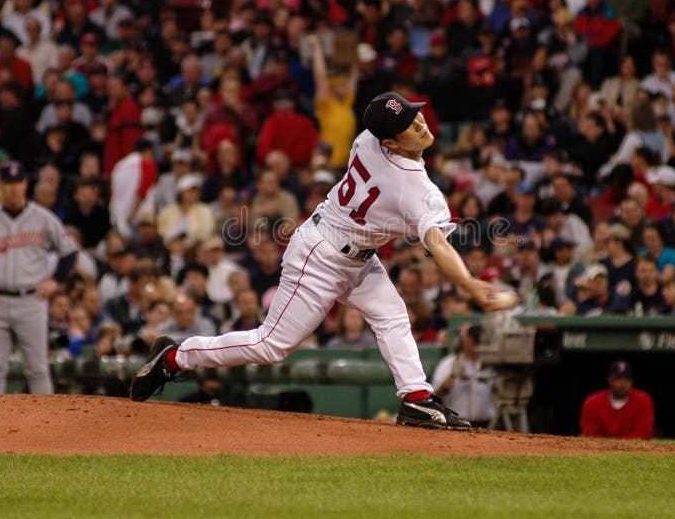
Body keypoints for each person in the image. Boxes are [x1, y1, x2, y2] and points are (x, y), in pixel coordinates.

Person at [131, 92, 515, 430]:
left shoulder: (367, 139)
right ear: (391, 142)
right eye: (407, 125)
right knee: (271, 345)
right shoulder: (415, 189)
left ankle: (416, 398)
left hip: (353, 251)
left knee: (392, 315)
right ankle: (176, 357)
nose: (419, 123)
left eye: (415, 114)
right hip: (322, 254)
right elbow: (439, 245)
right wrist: (469, 284)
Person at [0, 161, 78, 394]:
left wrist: (56, 281)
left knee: (38, 369)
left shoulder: (42, 218)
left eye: (17, 182)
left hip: (31, 300)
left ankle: (46, 426)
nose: (13, 188)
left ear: (25, 184)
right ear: (0, 185)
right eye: (8, 183)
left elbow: (69, 252)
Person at [431, 323, 497, 428]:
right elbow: (433, 399)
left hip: (488, 424)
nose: (474, 340)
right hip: (456, 423)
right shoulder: (448, 364)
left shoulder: (491, 365)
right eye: (469, 337)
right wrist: (444, 387)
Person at [580, 360, 654, 439]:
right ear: (609, 380)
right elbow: (589, 434)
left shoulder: (643, 400)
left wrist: (622, 447)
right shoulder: (592, 402)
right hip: (601, 449)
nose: (622, 383)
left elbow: (643, 433)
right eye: (618, 379)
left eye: (627, 379)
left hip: (631, 449)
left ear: (632, 381)